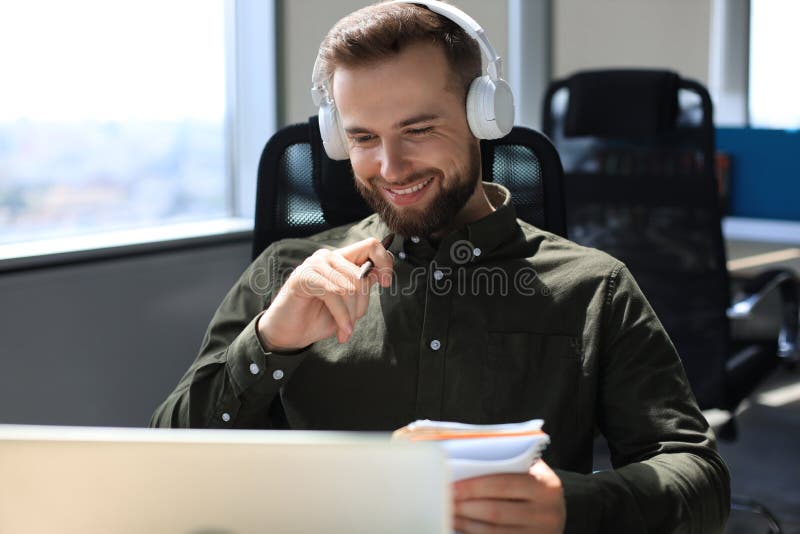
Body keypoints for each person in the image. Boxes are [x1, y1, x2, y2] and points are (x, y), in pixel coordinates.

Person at [152, 1, 730, 532]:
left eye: (419, 129)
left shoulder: (594, 287)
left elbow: (697, 474)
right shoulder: (286, 275)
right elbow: (166, 459)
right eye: (363, 138)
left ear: (484, 116)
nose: (391, 167)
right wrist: (269, 342)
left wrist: (573, 506)